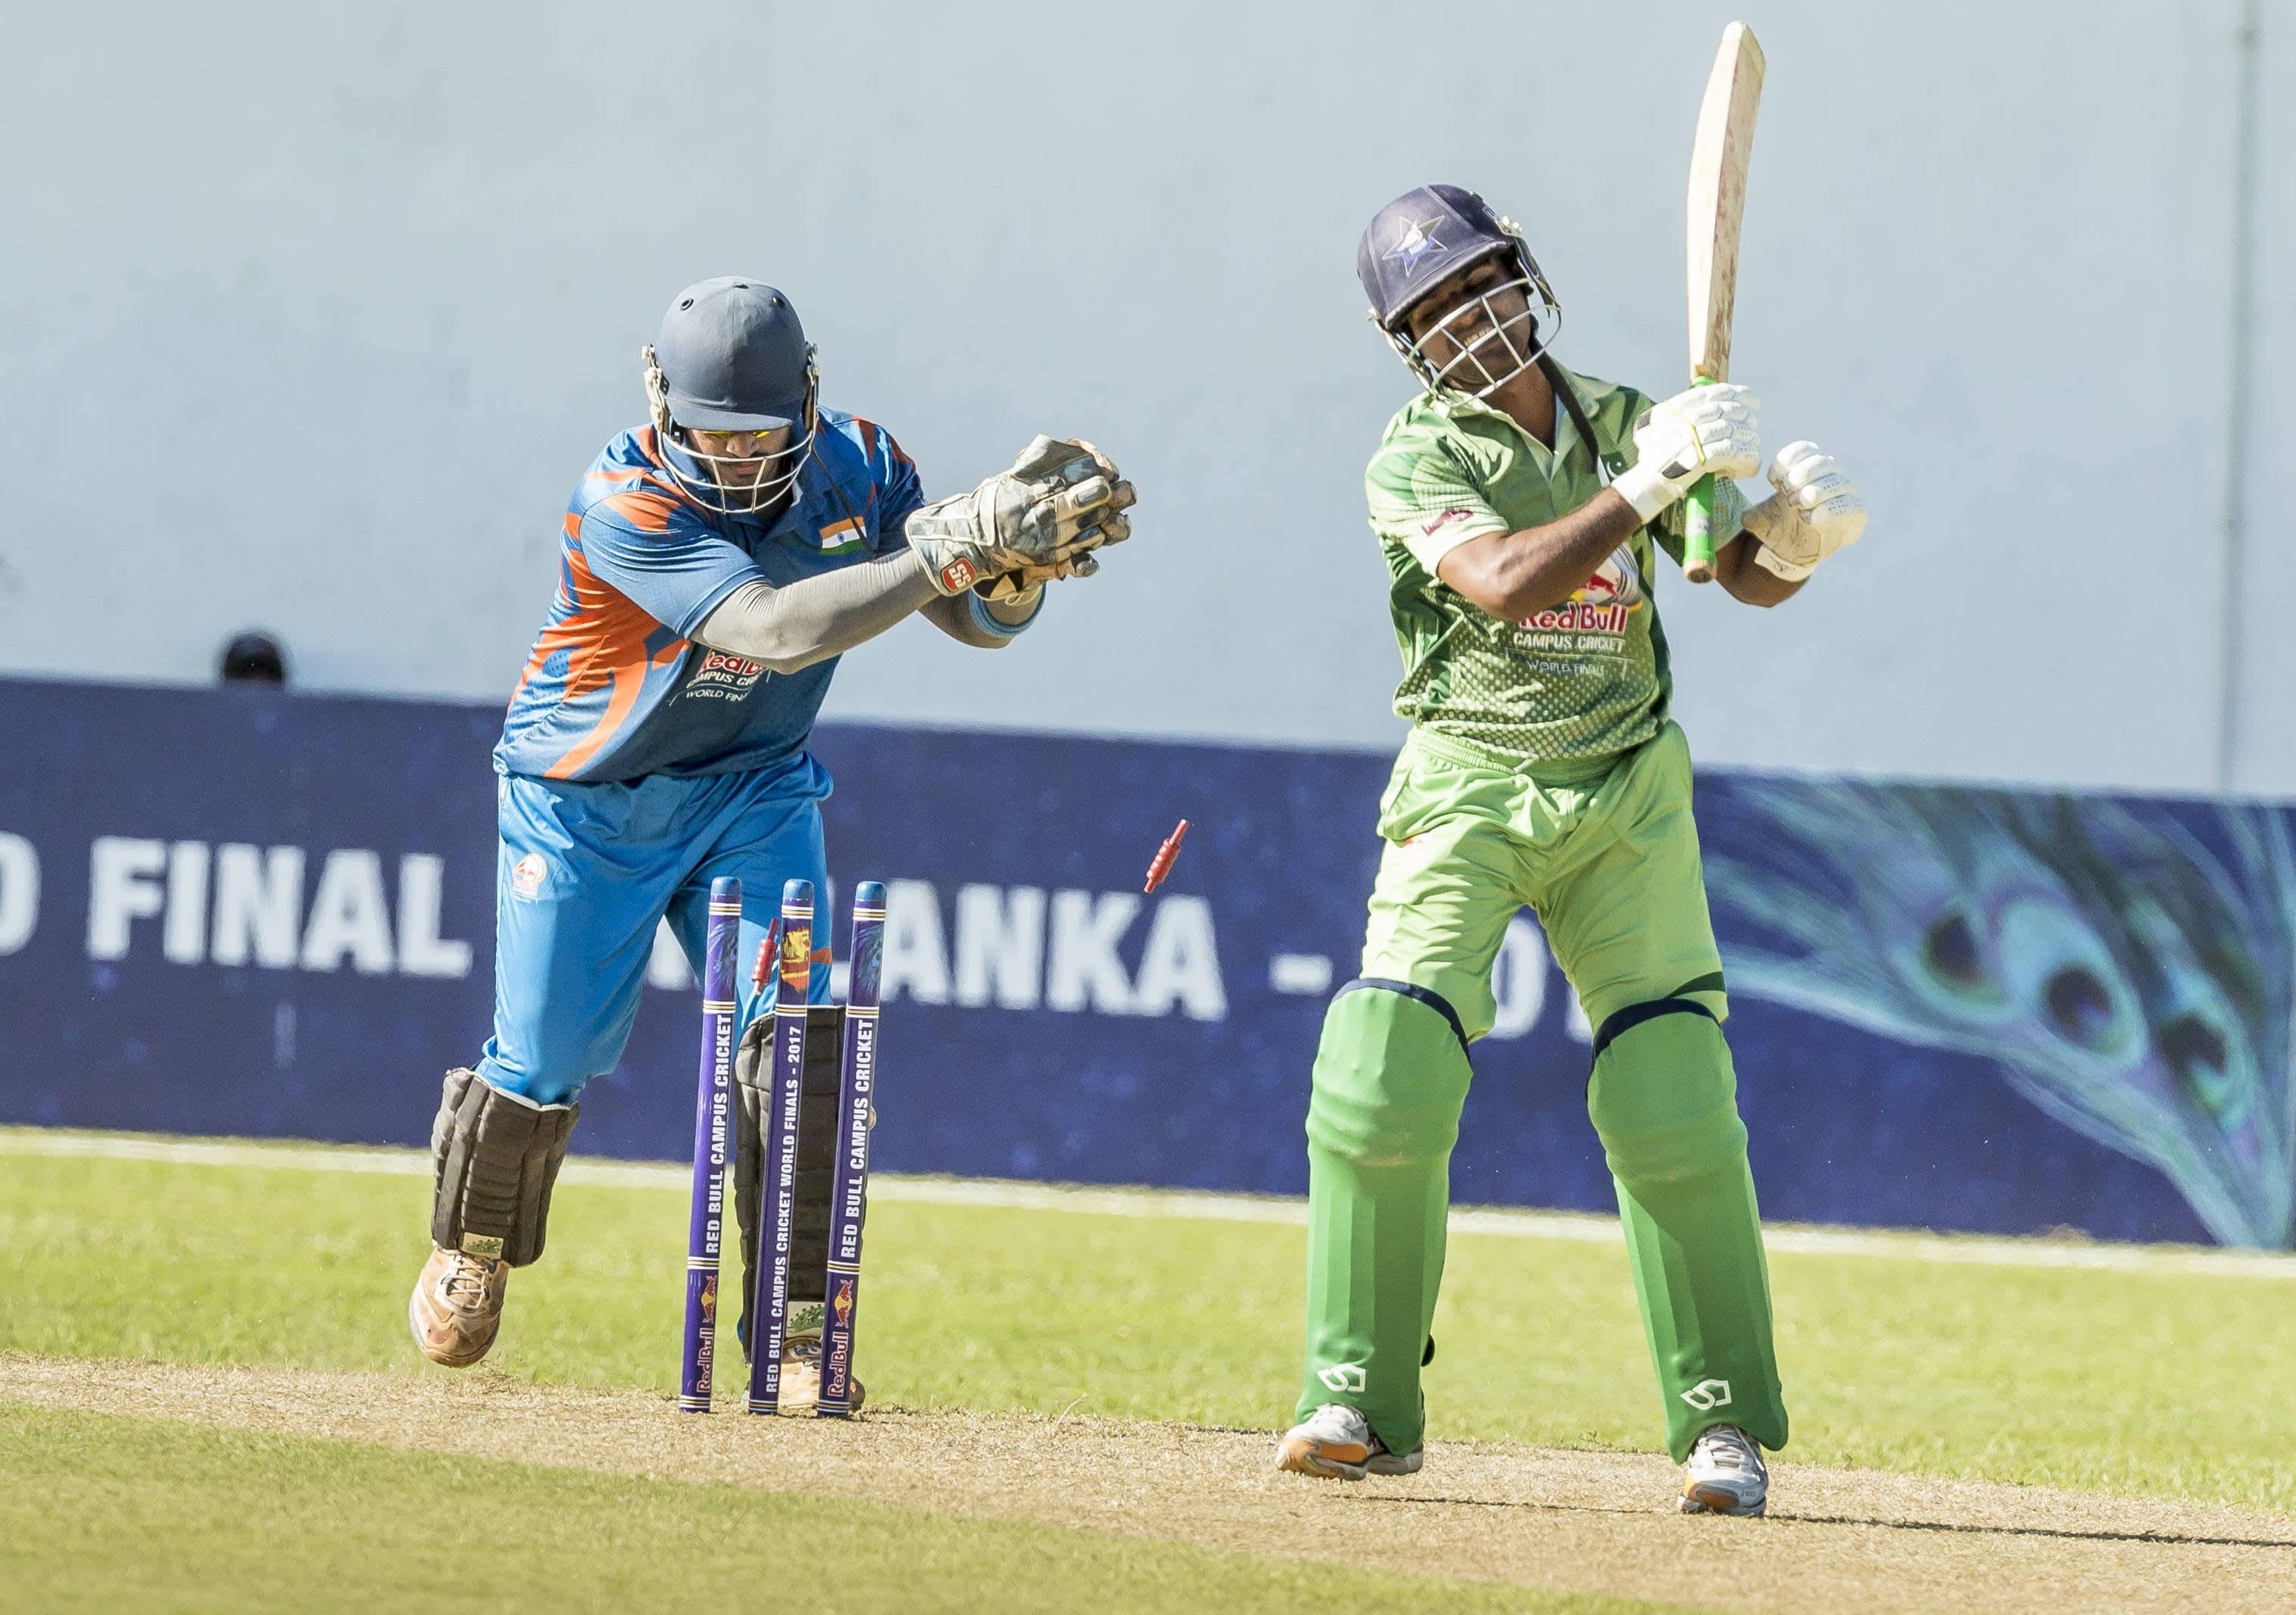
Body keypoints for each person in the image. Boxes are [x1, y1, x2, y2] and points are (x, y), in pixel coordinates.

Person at [410, 278, 1133, 1405]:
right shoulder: (624, 499)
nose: (738, 464)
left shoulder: (864, 465)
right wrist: (952, 547)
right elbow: (778, 630)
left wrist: (1016, 575)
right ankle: (477, 1239)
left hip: (753, 788)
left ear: (808, 398)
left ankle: (795, 1330)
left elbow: (972, 618)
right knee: (547, 1054)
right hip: (587, 795)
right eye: (712, 436)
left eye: (760, 437)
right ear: (661, 405)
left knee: (797, 1034)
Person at [1273, 186, 1867, 1516]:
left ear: (1522, 277)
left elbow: (1725, 570)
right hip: (1469, 778)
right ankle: (1361, 1393)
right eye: (1431, 312)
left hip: (1625, 790)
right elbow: (1502, 583)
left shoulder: (1620, 413)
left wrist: (1791, 537)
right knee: (1381, 1069)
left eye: (1480, 284)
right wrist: (1649, 477)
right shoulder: (1415, 456)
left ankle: (1724, 1424)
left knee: (1674, 1089)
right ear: (1404, 343)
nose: (1467, 321)